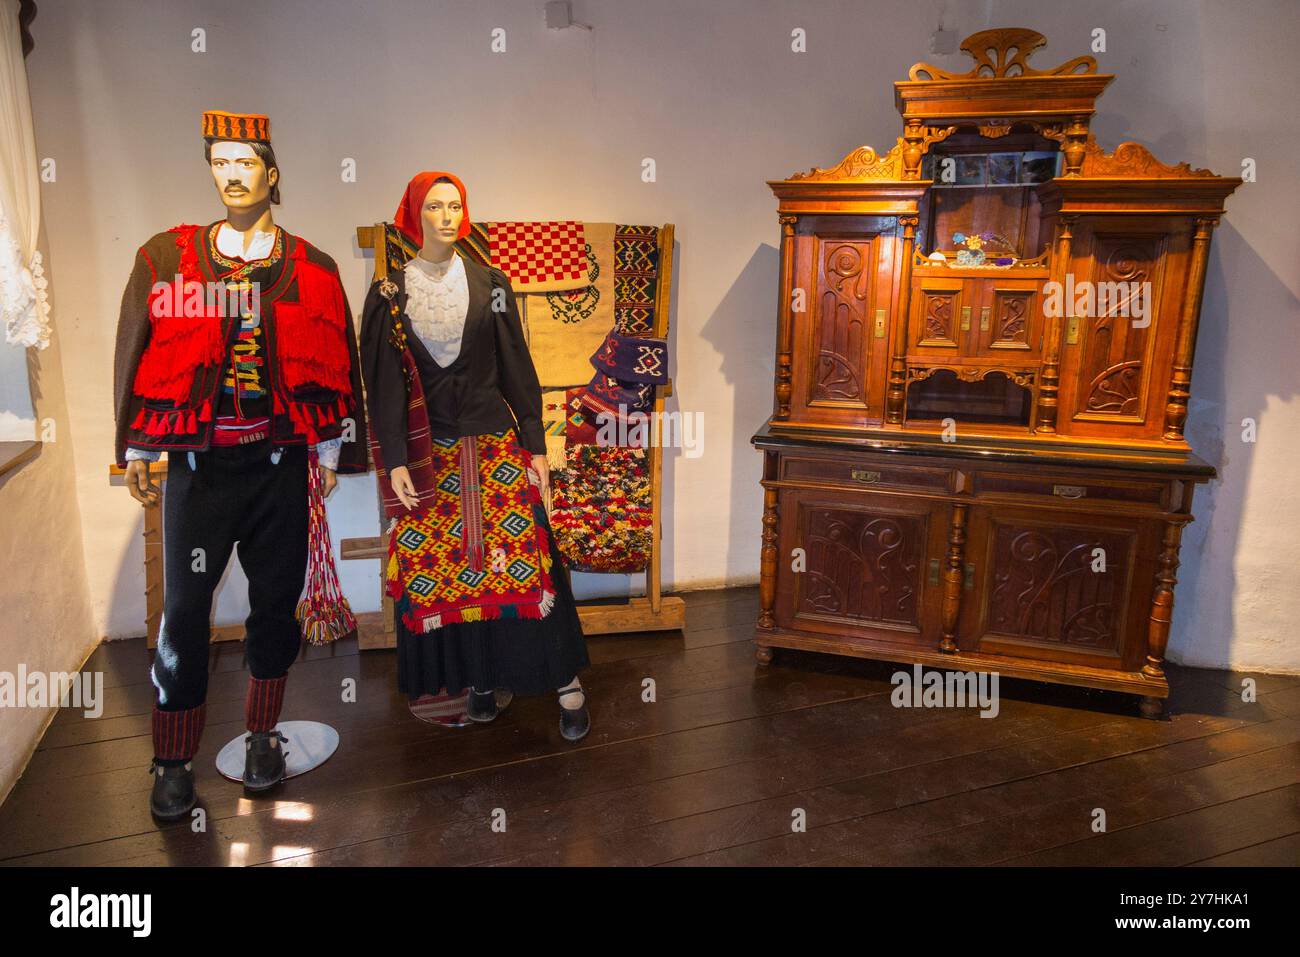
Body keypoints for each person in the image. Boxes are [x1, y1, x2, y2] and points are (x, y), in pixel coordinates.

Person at [112, 110, 367, 820]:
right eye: (220, 161)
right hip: (201, 470)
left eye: (246, 162)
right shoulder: (167, 258)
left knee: (273, 606)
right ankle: (171, 759)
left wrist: (327, 450)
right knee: (185, 612)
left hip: (279, 465)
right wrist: (135, 444)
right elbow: (136, 347)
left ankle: (262, 737)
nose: (232, 173)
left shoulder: (313, 268)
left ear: (271, 173)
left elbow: (338, 361)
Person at [360, 171, 591, 742]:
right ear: (414, 215)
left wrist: (535, 443)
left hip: (493, 444)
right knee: (450, 575)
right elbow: (383, 383)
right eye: (434, 206)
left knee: (528, 562)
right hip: (427, 455)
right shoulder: (389, 294)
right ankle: (479, 681)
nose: (446, 216)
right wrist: (392, 460)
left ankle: (566, 684)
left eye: (455, 205)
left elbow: (516, 364)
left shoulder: (492, 282)